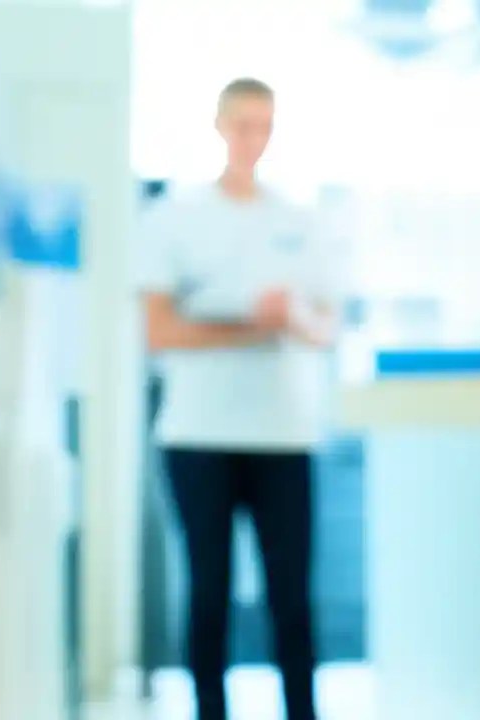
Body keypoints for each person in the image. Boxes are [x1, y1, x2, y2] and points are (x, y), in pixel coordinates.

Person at [136, 77, 340, 720]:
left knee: (291, 597)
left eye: (266, 125)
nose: (255, 137)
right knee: (209, 592)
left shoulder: (300, 223)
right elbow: (159, 331)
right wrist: (253, 324)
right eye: (244, 124)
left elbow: (327, 327)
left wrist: (292, 317)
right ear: (220, 126)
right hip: (198, 436)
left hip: (283, 435)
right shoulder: (174, 218)